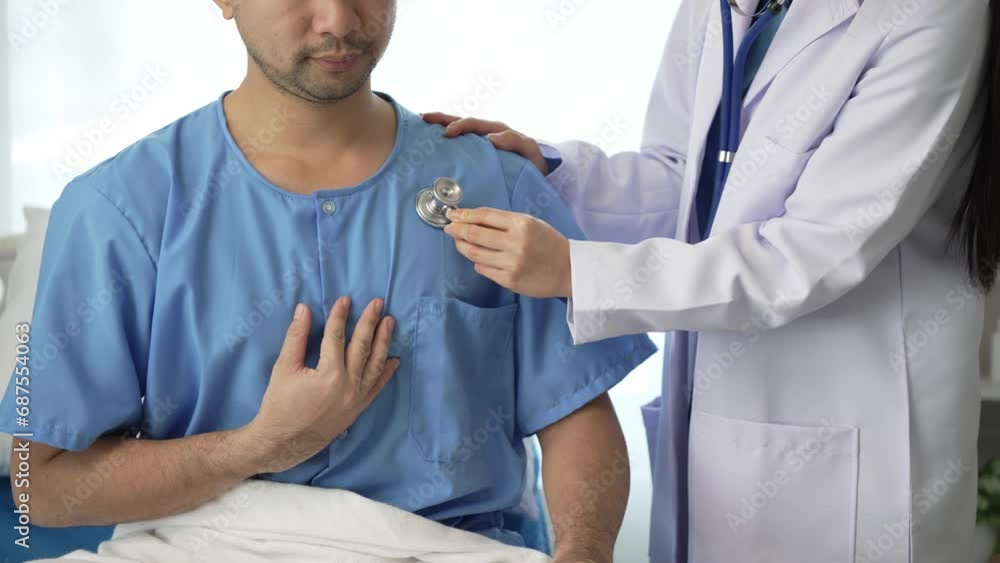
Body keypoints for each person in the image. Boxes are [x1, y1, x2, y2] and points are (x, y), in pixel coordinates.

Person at [0, 1, 657, 561]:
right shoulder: (118, 209)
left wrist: (584, 549)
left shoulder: (498, 183)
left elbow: (576, 415)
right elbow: (42, 482)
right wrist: (257, 446)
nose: (341, 20)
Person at [423, 0, 1000, 561]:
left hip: (853, 433)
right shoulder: (717, 6)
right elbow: (686, 179)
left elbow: (803, 256)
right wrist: (554, 174)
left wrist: (575, 271)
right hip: (720, 420)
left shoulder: (932, 11)